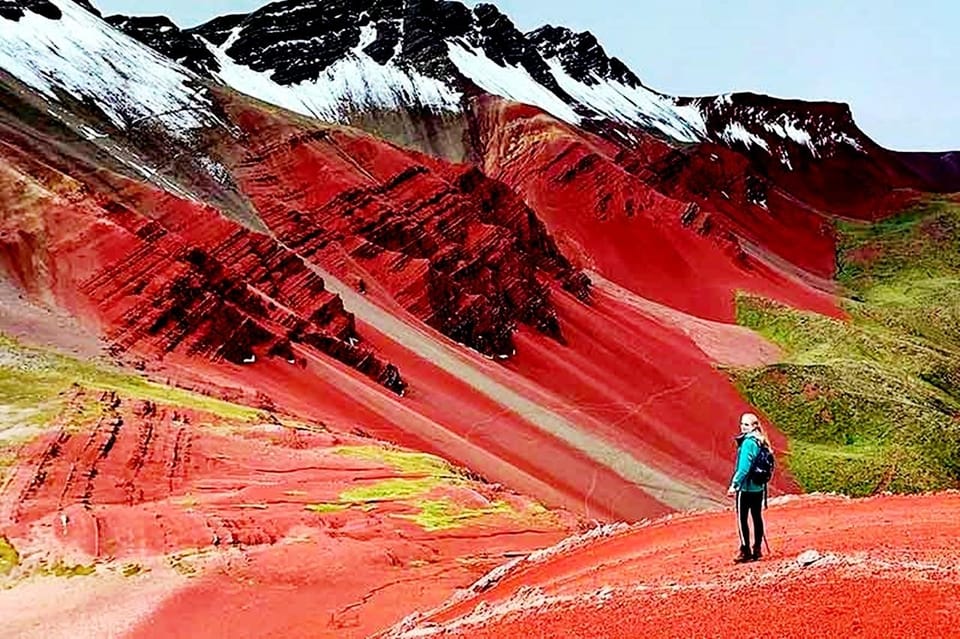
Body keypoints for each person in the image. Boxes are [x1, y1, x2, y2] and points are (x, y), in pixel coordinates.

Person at [727, 412, 769, 563]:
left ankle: (745, 551)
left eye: (746, 424)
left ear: (753, 426)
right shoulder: (761, 441)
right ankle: (757, 549)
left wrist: (734, 485)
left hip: (745, 489)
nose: (742, 427)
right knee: (757, 517)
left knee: (742, 519)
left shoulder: (748, 443)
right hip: (759, 488)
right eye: (742, 424)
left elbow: (744, 468)